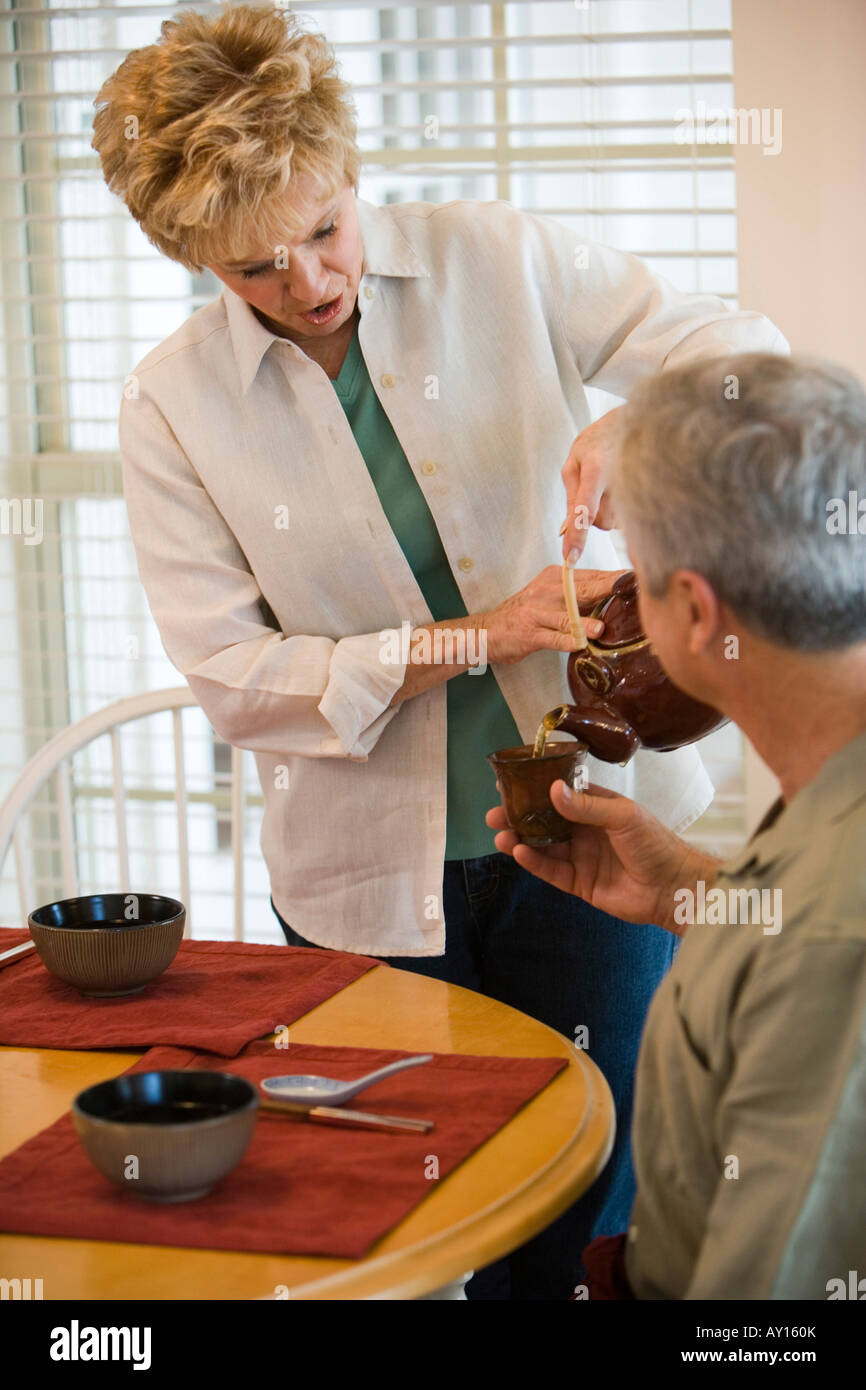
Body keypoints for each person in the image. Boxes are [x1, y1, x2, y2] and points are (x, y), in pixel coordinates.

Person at [93, 6, 787, 1298]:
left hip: (592, 837)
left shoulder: (495, 256)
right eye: (253, 268)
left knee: (586, 1200)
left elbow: (744, 353)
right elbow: (233, 678)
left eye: (321, 229)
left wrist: (645, 423)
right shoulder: (169, 405)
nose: (306, 281)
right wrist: (478, 634)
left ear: (349, 174)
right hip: (362, 885)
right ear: (189, 255)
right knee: (395, 1206)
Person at [488, 351, 866, 1298]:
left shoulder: (832, 931)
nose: (615, 605)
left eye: (637, 583)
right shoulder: (828, 797)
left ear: (694, 611)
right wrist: (693, 895)